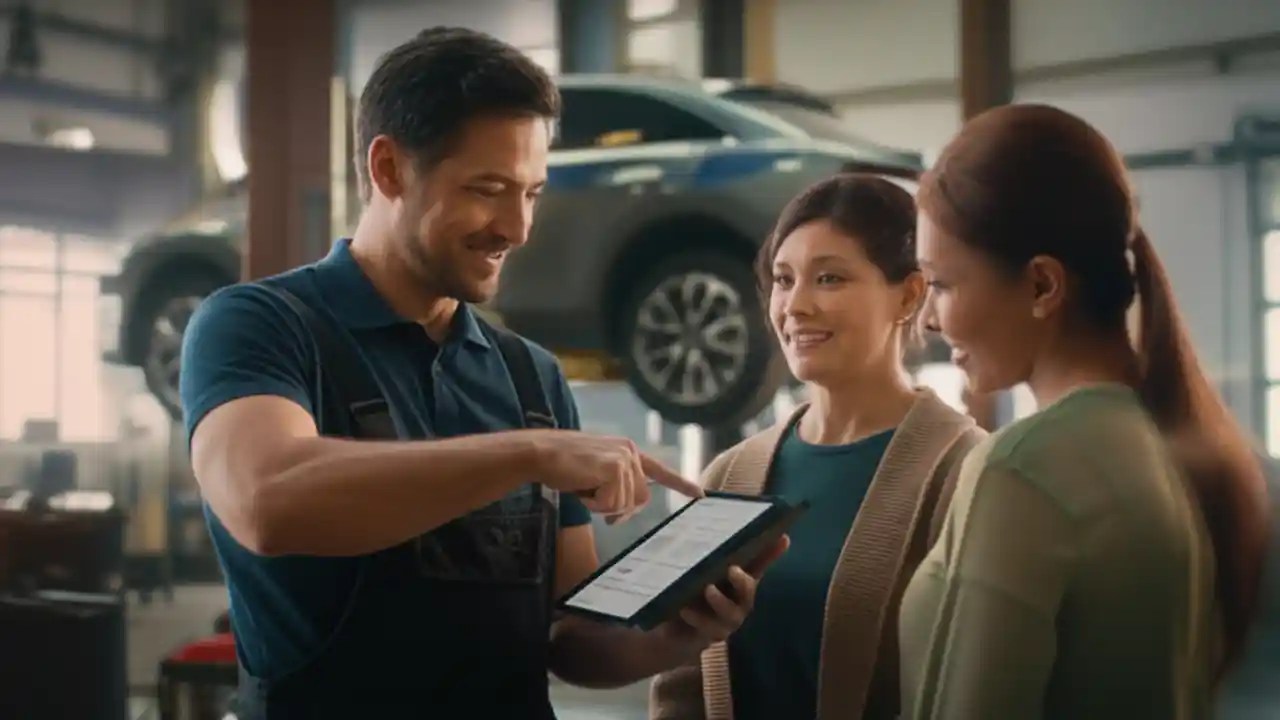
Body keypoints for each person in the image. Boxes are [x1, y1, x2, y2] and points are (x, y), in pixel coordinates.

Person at [181, 27, 784, 719]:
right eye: (488, 189)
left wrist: (674, 634)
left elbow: (568, 635)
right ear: (388, 170)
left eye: (530, 193)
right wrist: (526, 454)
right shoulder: (259, 326)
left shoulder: (531, 379)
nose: (517, 227)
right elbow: (267, 501)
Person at [899, 104, 1271, 718]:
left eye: (941, 284)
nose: (930, 320)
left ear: (1043, 285)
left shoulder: (1021, 472)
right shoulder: (1164, 444)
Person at [650, 175, 986, 720]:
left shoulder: (965, 471)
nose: (796, 305)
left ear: (910, 293)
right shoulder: (728, 477)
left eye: (829, 278)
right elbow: (680, 687)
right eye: (783, 280)